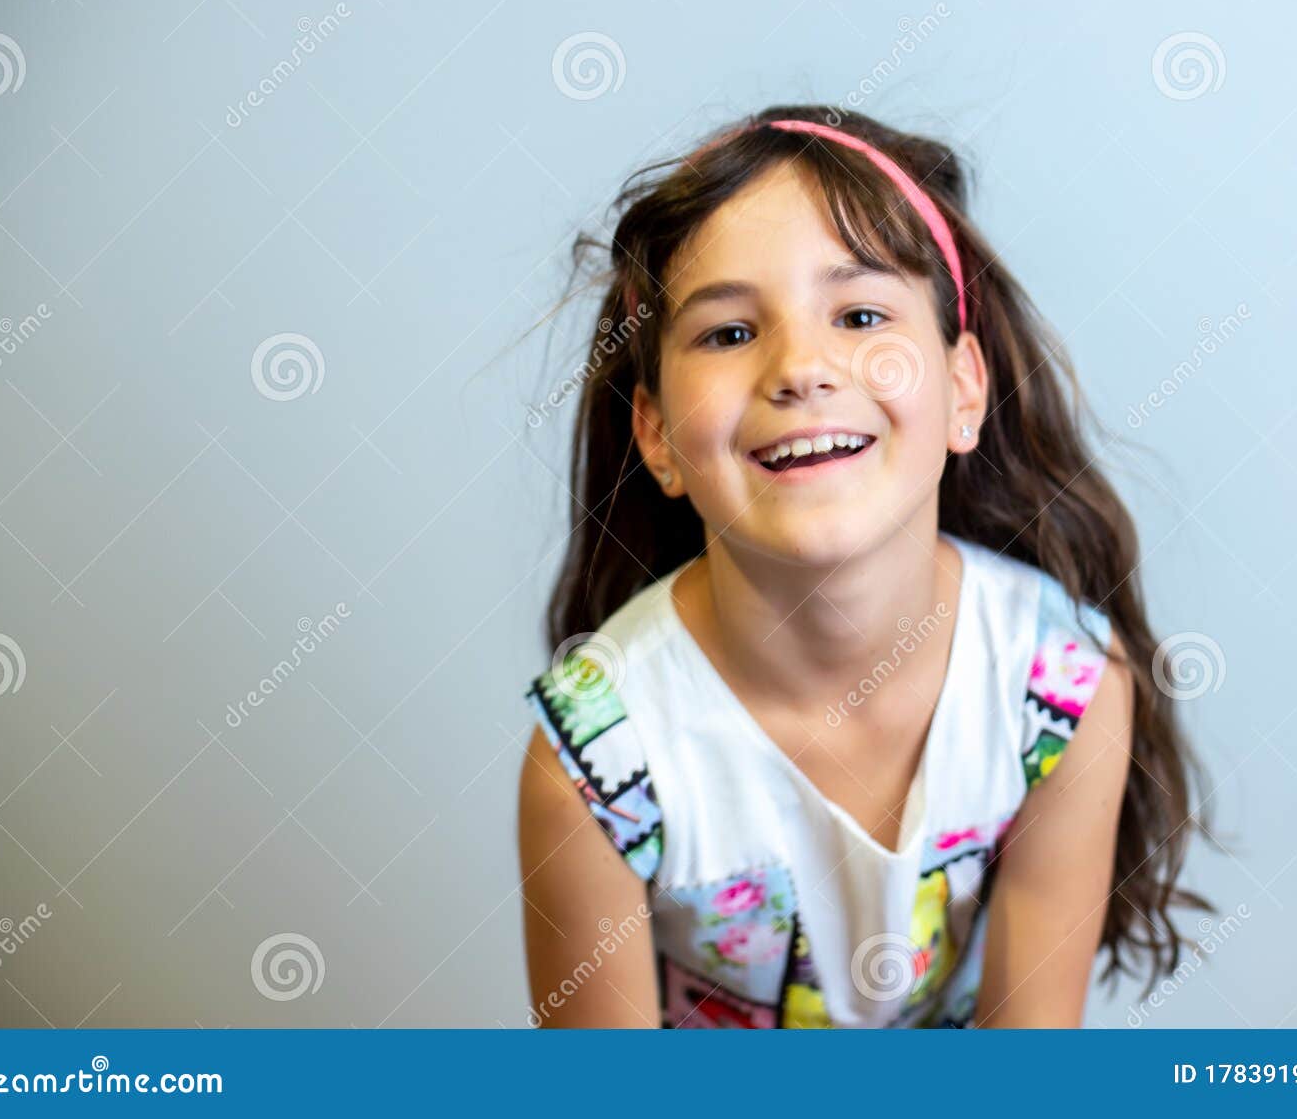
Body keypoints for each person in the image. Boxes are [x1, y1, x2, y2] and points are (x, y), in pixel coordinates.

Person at [517, 105, 1209, 1028]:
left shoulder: (1063, 686)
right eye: (728, 333)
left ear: (963, 390)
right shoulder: (596, 763)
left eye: (860, 315)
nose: (801, 367)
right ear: (658, 437)